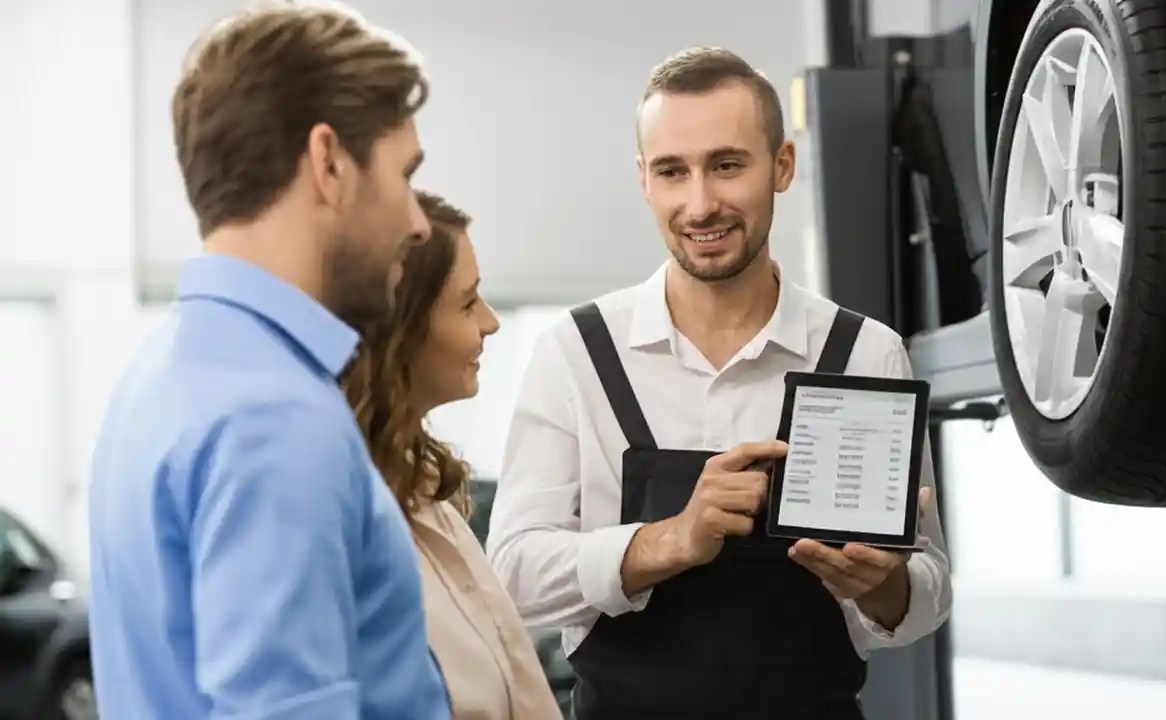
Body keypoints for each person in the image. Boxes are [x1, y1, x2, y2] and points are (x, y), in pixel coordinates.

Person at [486, 46, 952, 719]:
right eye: (673, 172)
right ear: (645, 181)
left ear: (782, 167)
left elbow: (929, 589)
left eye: (727, 166)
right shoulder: (579, 353)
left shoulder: (862, 352)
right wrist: (669, 541)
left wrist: (883, 587)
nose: (700, 204)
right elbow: (512, 574)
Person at [86, 4, 452, 718]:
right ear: (328, 163)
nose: (416, 220)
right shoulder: (274, 418)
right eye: (404, 174)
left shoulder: (161, 373)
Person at [341, 190, 563, 720]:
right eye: (467, 303)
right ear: (403, 328)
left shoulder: (426, 485)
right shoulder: (347, 511)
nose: (490, 322)